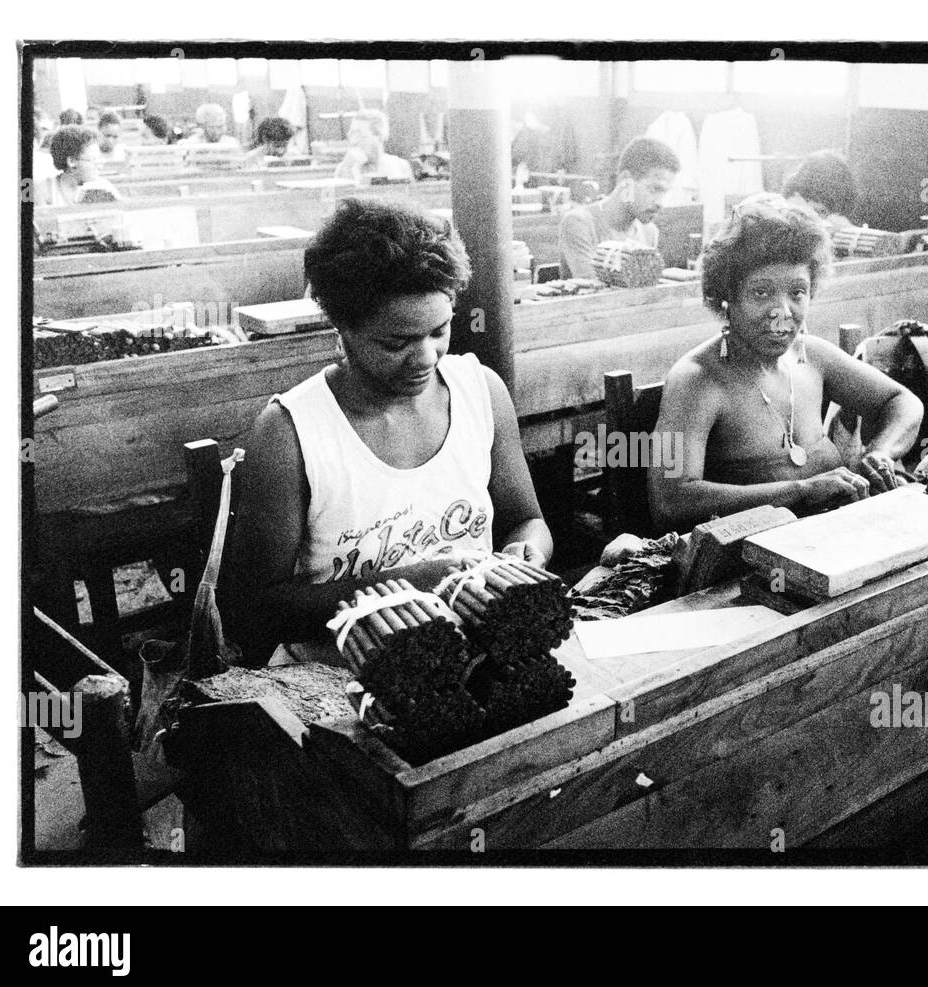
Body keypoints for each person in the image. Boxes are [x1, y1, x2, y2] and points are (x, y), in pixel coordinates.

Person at [225, 199, 552, 666]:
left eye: (439, 331)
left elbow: (527, 520)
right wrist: (413, 582)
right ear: (343, 329)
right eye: (396, 342)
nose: (426, 357)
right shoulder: (290, 433)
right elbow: (255, 610)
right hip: (338, 679)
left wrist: (527, 555)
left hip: (469, 656)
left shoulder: (480, 392)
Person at [647, 195, 923, 533]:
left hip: (839, 537)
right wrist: (801, 492)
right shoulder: (698, 380)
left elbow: (904, 403)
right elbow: (670, 500)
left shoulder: (812, 357)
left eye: (797, 292)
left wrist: (880, 453)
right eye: (761, 293)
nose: (783, 311)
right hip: (756, 565)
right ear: (726, 297)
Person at [557, 137, 679, 280]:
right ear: (625, 180)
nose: (660, 202)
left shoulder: (649, 232)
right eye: (655, 188)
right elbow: (594, 293)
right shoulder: (579, 223)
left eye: (665, 192)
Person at [38, 126, 123, 206]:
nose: (99, 166)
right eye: (93, 160)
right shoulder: (41, 189)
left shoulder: (104, 187)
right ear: (71, 161)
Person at [782, 149, 859, 228]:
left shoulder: (837, 221)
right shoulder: (792, 204)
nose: (820, 217)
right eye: (818, 211)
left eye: (824, 212)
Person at [333, 109, 413, 184]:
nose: (354, 142)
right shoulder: (345, 168)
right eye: (352, 134)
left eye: (361, 136)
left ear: (380, 137)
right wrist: (347, 167)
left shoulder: (400, 166)